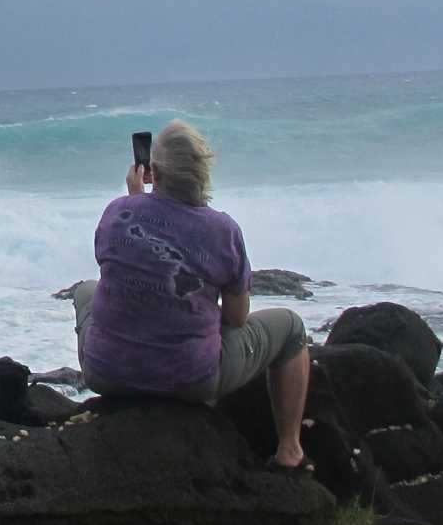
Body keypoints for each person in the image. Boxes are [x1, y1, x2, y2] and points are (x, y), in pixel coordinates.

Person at [72, 120, 310, 469]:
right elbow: (236, 318)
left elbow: (128, 260)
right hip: (191, 381)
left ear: (155, 170)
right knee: (291, 328)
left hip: (105, 373)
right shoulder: (221, 230)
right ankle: (290, 450)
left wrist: (136, 200)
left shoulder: (117, 211)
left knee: (85, 291)